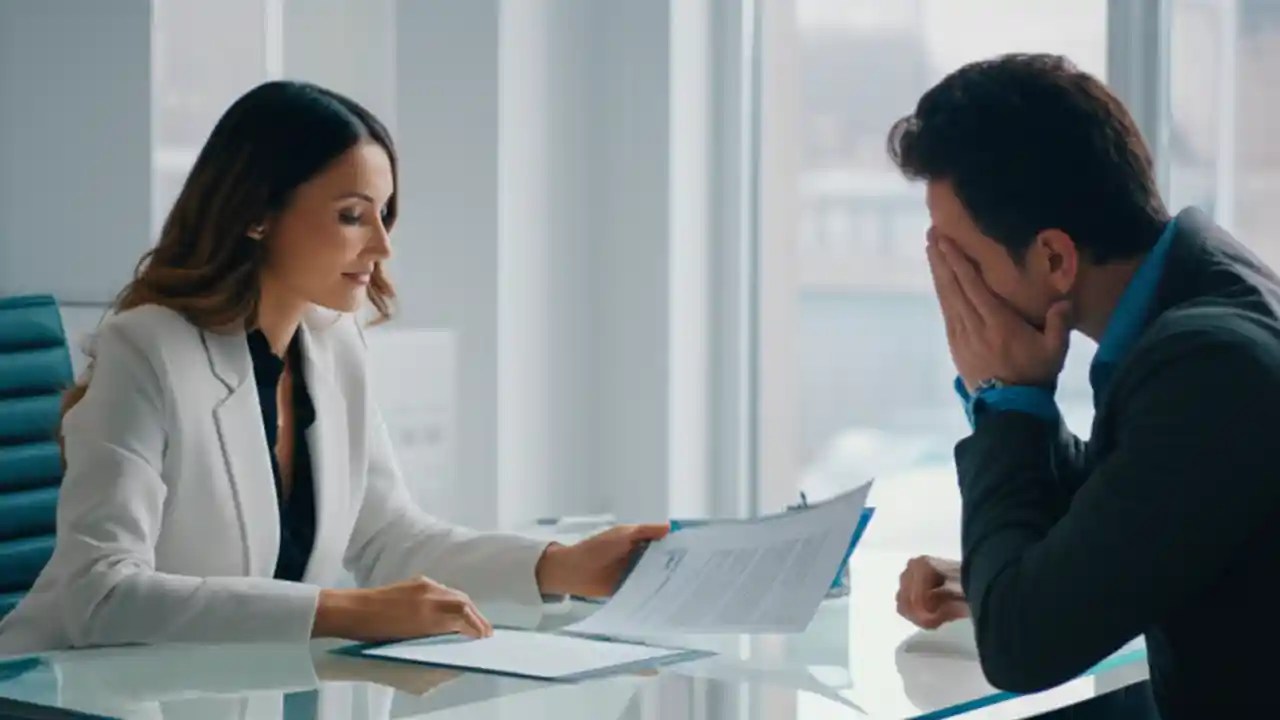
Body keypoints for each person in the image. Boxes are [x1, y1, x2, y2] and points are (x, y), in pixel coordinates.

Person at [0, 81, 666, 655]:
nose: (381, 244)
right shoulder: (146, 350)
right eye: (352, 216)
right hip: (63, 691)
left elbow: (389, 538)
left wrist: (561, 566)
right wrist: (345, 612)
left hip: (228, 690)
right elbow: (102, 595)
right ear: (257, 213)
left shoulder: (333, 345)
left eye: (385, 214)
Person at [888, 54, 1280, 718]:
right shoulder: (1206, 289)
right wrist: (1011, 577)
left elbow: (1023, 648)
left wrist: (1003, 400)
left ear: (1054, 259)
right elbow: (1137, 493)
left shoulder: (1208, 367)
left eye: (962, 262)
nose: (952, 291)